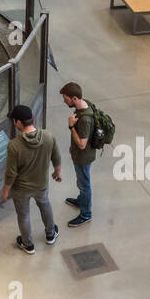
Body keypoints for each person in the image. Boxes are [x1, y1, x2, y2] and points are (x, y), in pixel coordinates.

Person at [2, 105, 62, 254]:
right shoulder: (48, 136)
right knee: (44, 204)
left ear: (17, 123)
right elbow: (57, 157)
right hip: (41, 184)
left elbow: (11, 172)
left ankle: (28, 244)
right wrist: (57, 173)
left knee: (24, 215)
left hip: (21, 189)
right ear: (32, 118)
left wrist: (6, 189)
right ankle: (50, 234)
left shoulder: (14, 145)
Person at [59, 81, 96, 227]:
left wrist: (71, 126)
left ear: (74, 98)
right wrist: (71, 145)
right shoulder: (84, 104)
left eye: (66, 98)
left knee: (84, 184)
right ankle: (81, 200)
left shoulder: (85, 119)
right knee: (81, 182)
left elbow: (82, 144)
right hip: (80, 154)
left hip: (83, 157)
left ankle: (86, 214)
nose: (64, 101)